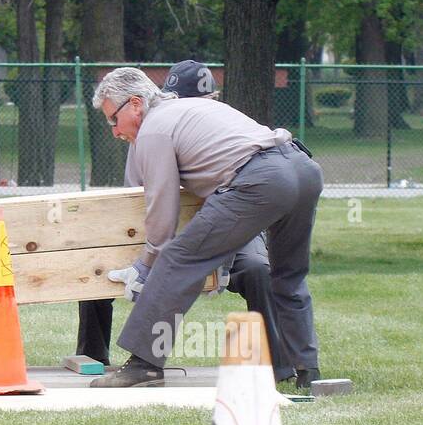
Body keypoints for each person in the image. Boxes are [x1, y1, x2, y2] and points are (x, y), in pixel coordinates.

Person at [89, 67, 322, 388]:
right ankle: (307, 371)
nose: (114, 131)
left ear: (135, 104)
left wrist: (143, 266)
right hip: (303, 168)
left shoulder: (154, 130)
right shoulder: (192, 108)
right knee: (288, 275)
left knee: (176, 259)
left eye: (112, 120)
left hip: (262, 179)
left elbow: (162, 213)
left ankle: (144, 364)